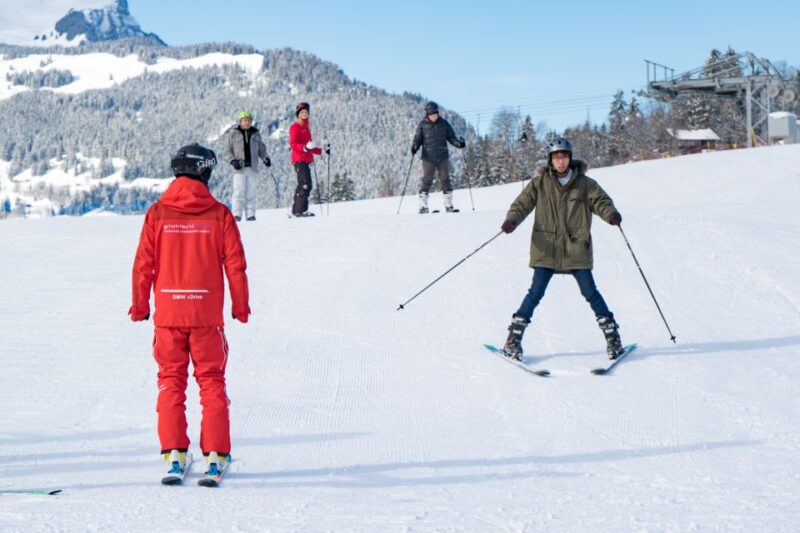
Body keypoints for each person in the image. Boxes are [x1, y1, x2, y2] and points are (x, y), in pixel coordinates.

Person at [129, 143, 250, 481]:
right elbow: (236, 265)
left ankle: (174, 455)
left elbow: (143, 265)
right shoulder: (220, 213)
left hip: (169, 315)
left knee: (170, 383)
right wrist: (240, 307)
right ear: (205, 171)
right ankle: (214, 455)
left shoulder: (157, 213)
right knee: (212, 382)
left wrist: (141, 306)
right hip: (205, 316)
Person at [499, 137, 624, 360]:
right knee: (535, 293)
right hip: (546, 248)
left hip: (576, 248)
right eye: (556, 158)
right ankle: (513, 340)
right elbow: (522, 204)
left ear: (570, 158)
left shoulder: (586, 184)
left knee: (590, 292)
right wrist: (512, 221)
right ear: (550, 160)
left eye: (564, 157)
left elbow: (601, 202)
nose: (561, 162)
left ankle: (613, 338)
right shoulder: (539, 183)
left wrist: (610, 214)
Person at [411, 101, 465, 213]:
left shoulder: (444, 124)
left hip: (442, 157)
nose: (433, 116)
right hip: (428, 158)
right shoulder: (422, 125)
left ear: (437, 113)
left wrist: (459, 143)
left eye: (435, 113)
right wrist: (415, 147)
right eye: (431, 114)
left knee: (445, 180)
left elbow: (451, 137)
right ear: (427, 114)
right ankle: (423, 206)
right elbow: (417, 139)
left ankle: (449, 205)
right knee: (427, 180)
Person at [223, 111, 271, 222]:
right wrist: (232, 161)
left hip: (252, 168)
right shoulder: (233, 134)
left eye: (249, 120)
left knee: (251, 193)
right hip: (239, 169)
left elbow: (262, 149)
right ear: (240, 121)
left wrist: (266, 158)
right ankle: (236, 215)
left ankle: (250, 215)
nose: (247, 122)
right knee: (239, 192)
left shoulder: (256, 133)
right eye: (245, 120)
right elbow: (227, 150)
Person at [289, 102, 326, 217]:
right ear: (298, 114)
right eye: (302, 112)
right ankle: (299, 211)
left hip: (306, 160)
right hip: (299, 160)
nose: (305, 114)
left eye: (306, 112)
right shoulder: (295, 127)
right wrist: (304, 148)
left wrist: (322, 151)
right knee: (305, 184)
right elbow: (293, 144)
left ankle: (298, 210)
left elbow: (310, 146)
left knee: (304, 184)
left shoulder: (306, 128)